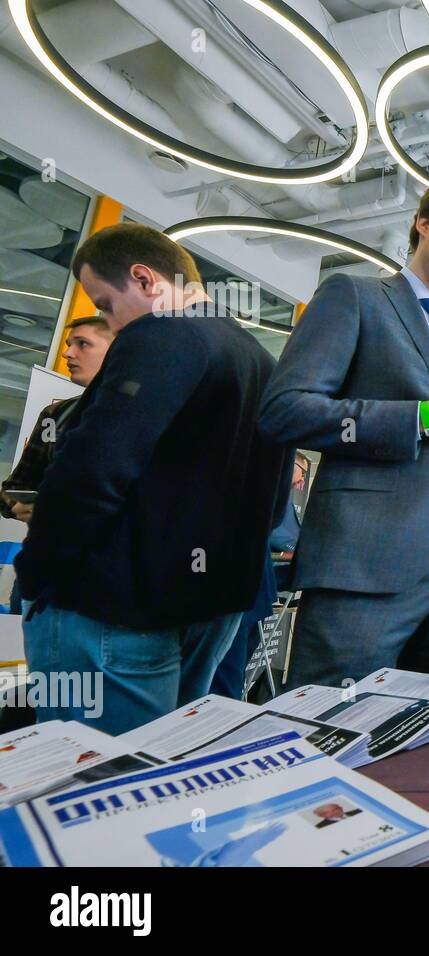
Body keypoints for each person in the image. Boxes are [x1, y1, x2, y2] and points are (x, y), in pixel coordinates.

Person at [15, 223, 289, 734]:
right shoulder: (263, 362)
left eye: (105, 305)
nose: (109, 322)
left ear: (144, 279)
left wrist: (38, 574)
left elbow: (94, 467)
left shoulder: (161, 333)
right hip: (211, 609)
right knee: (156, 773)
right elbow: (273, 504)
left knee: (92, 782)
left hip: (109, 606)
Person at [260, 180, 429, 689]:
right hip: (364, 563)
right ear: (423, 223)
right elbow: (285, 411)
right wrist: (422, 417)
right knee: (326, 721)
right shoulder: (354, 296)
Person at [1, 316, 116, 523]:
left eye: (83, 344)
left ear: (118, 350)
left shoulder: (152, 414)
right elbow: (14, 488)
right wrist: (20, 505)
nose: (68, 353)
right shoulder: (57, 414)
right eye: (68, 345)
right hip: (53, 549)